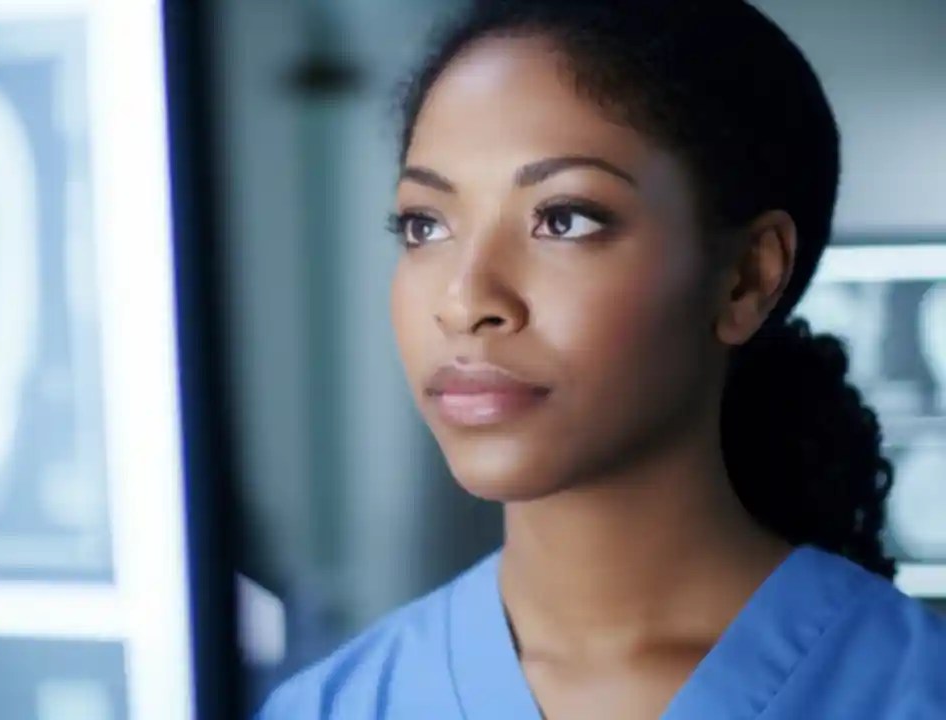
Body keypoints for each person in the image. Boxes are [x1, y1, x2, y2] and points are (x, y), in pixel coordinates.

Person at [256, 0, 946, 717]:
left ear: (745, 277)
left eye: (564, 219)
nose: (464, 302)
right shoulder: (330, 706)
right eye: (425, 224)